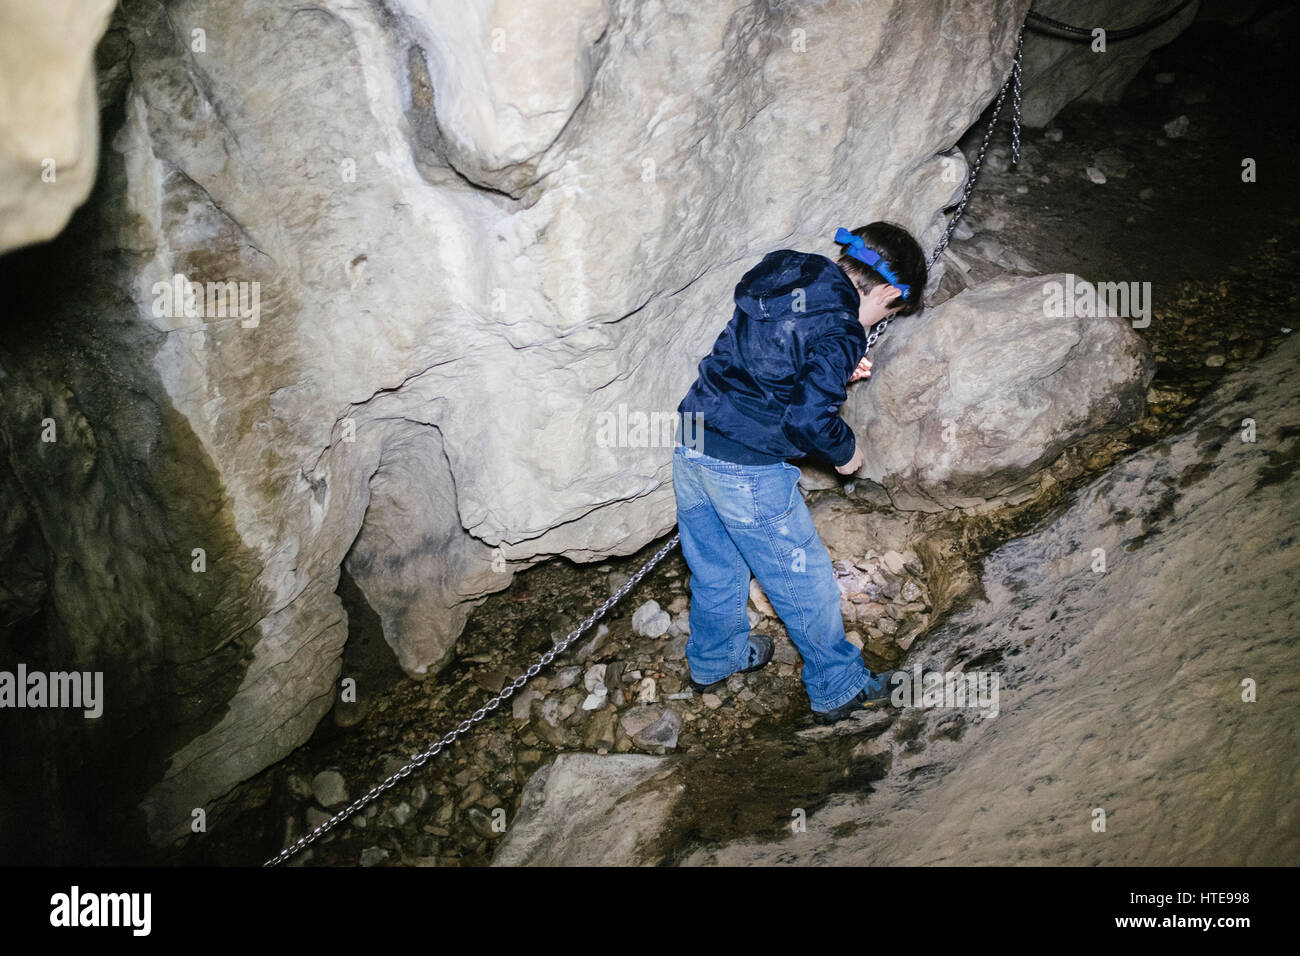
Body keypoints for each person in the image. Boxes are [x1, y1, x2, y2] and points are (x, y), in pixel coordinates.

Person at [672, 222, 926, 725]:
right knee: (802, 579)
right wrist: (845, 452)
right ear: (891, 293)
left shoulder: (790, 277)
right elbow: (808, 419)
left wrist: (827, 366)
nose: (873, 325)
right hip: (747, 468)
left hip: (693, 442)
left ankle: (714, 659)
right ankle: (840, 687)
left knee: (717, 568)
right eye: (886, 312)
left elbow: (766, 356)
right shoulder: (842, 330)